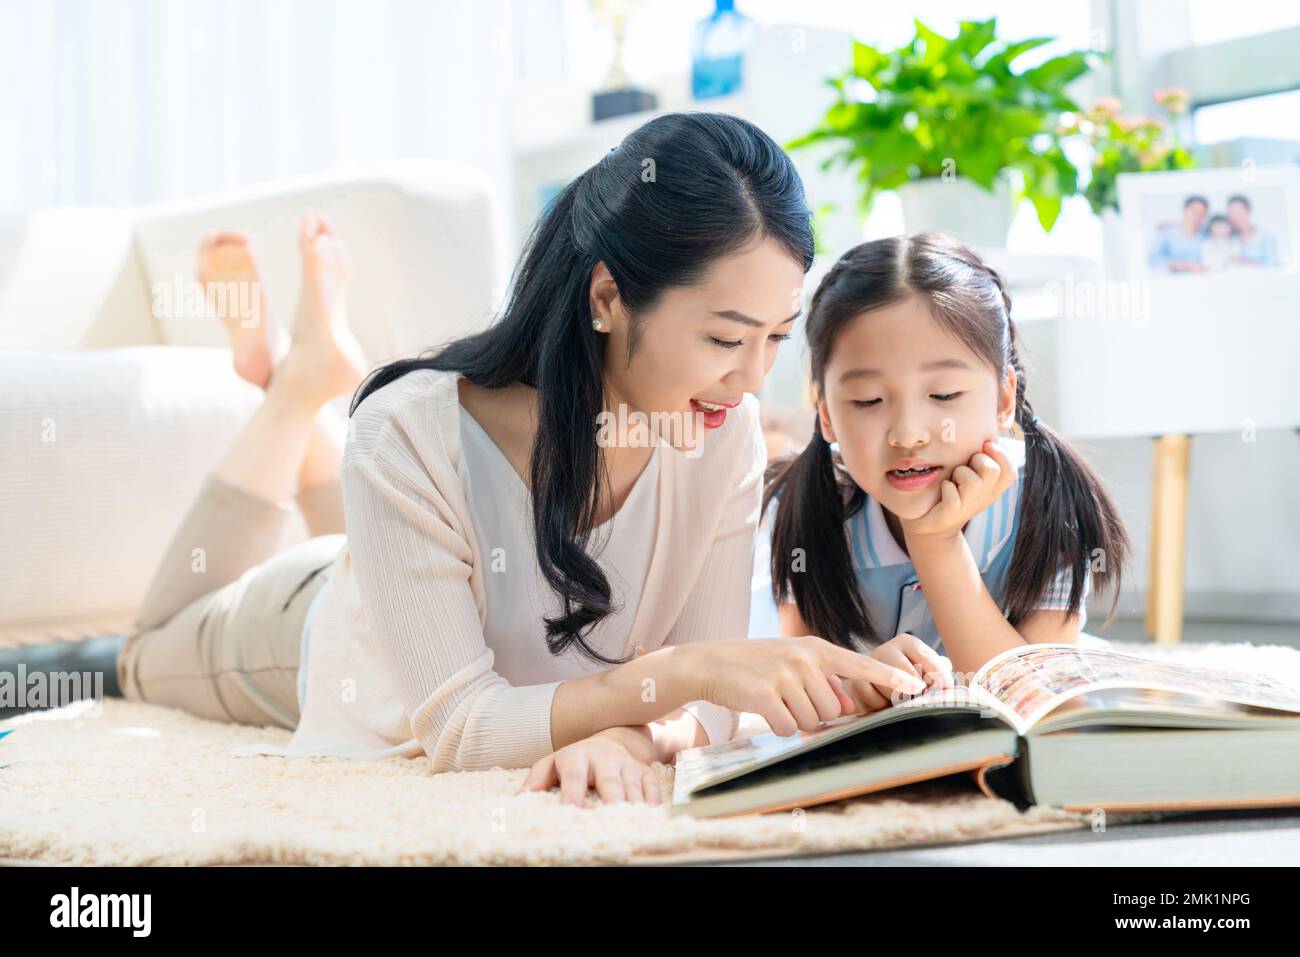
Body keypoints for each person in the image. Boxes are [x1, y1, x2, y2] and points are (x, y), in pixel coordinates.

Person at [1, 113, 925, 808]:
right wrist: (683, 677)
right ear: (609, 295)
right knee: (142, 651)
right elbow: (459, 724)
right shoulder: (409, 429)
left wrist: (649, 735)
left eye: (775, 337)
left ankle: (299, 372)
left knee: (382, 527)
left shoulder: (715, 432)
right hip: (312, 625)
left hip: (407, 567)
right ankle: (291, 392)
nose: (751, 378)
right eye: (726, 336)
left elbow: (711, 705)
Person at [762, 233, 1131, 707]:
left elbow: (1040, 706)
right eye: (868, 401)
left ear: (1002, 399)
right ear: (826, 413)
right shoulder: (808, 508)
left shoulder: (1048, 504)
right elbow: (807, 693)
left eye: (944, 396)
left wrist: (935, 542)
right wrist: (860, 687)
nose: (908, 434)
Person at [1147, 194, 1208, 273]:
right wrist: (1185, 266)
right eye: (1194, 211)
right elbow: (1153, 259)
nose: (1197, 216)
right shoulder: (1167, 233)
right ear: (1184, 210)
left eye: (1202, 213)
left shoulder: (1206, 233)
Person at [1226, 194, 1280, 267]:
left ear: (1248, 211)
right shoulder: (1228, 238)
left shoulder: (1265, 236)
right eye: (1231, 212)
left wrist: (1247, 262)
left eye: (1239, 211)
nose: (1235, 216)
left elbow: (1273, 264)